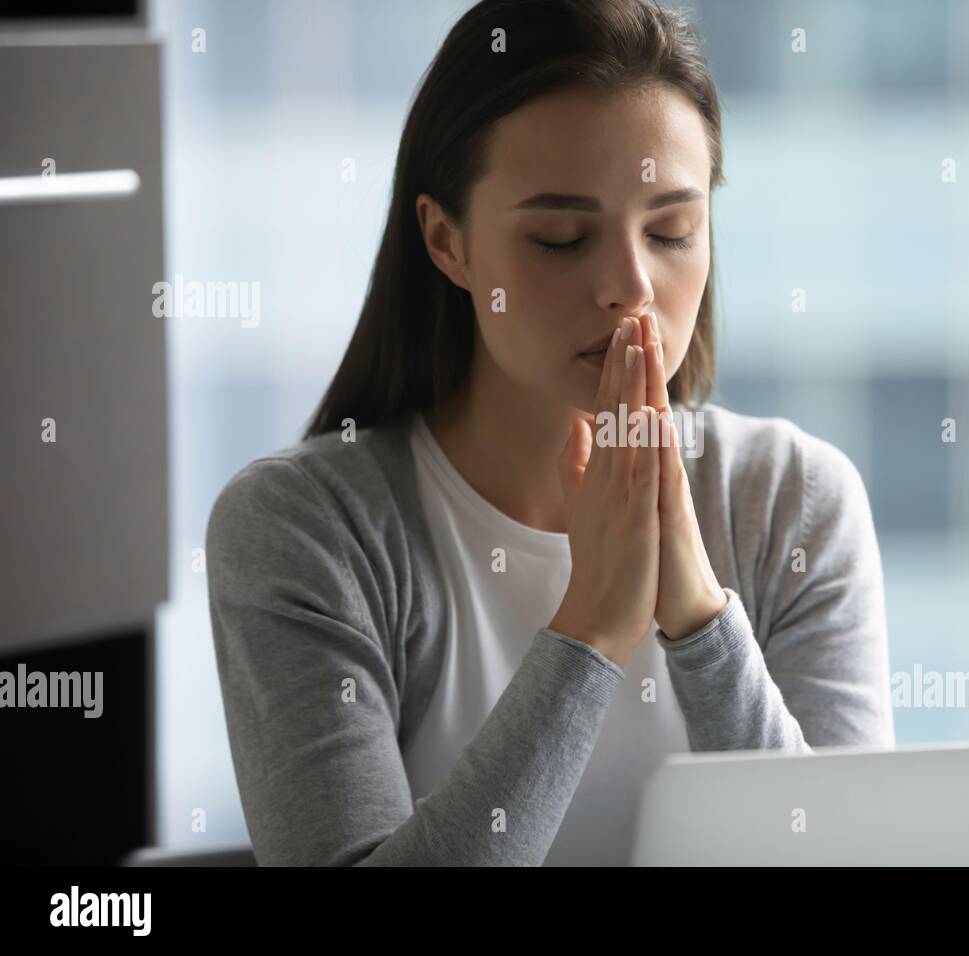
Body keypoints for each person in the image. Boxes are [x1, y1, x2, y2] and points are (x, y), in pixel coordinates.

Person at [205, 0, 894, 866]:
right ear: (447, 241)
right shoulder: (305, 529)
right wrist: (592, 628)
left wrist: (698, 617)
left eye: (672, 230)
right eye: (562, 239)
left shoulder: (792, 502)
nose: (629, 286)